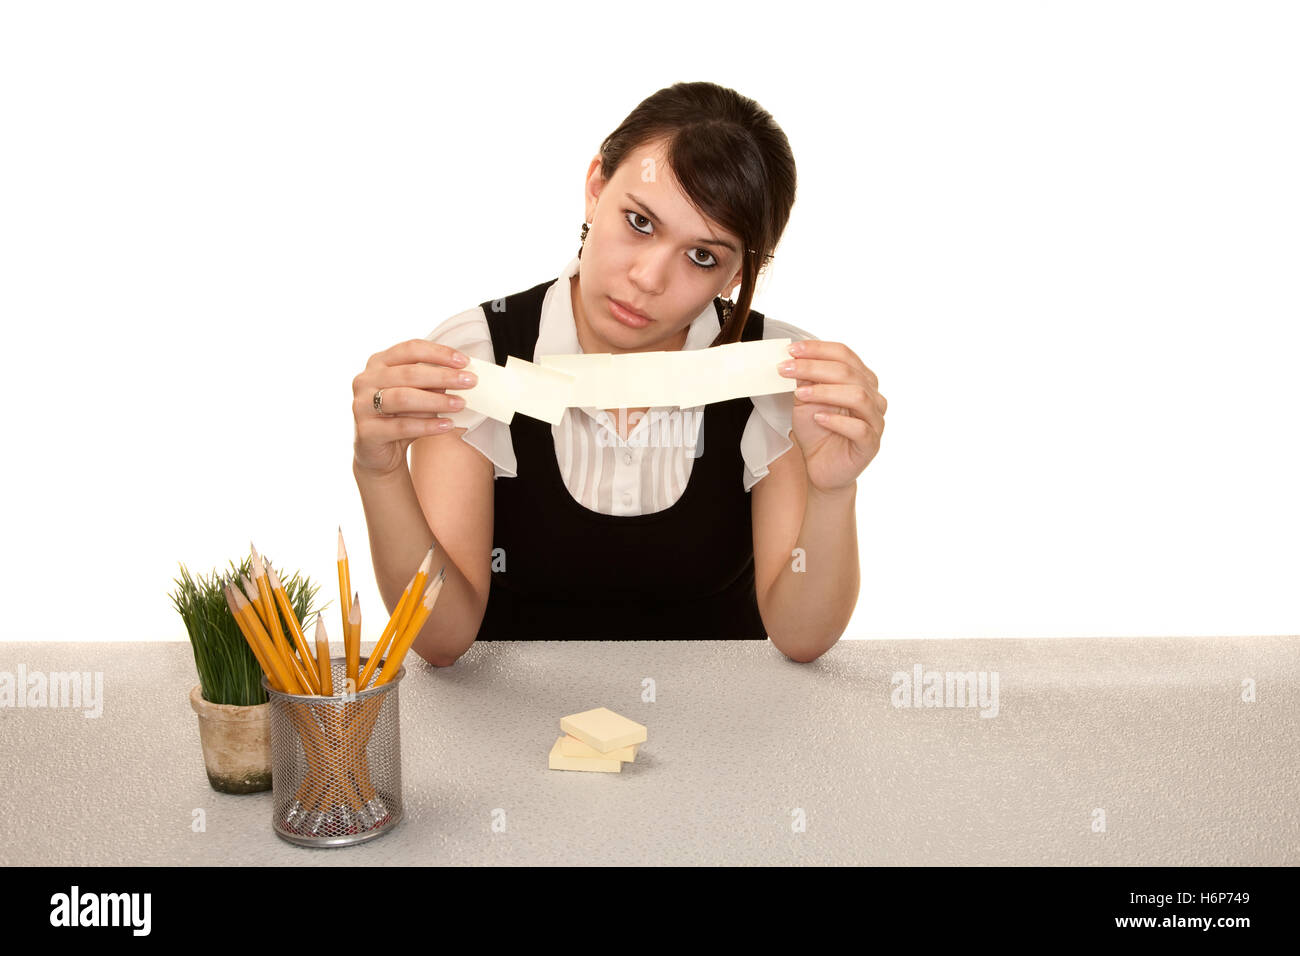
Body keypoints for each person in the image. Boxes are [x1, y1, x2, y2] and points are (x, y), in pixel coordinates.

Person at [351, 81, 886, 664]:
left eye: (702, 256)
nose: (649, 278)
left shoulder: (776, 374)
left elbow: (802, 637)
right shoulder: (480, 352)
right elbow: (441, 638)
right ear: (595, 187)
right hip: (516, 739)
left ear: (737, 274)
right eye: (639, 221)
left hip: (725, 733)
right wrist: (379, 474)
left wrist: (834, 490)